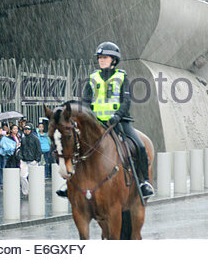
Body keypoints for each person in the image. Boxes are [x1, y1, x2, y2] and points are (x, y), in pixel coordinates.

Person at [57, 42, 154, 198]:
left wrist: (117, 116)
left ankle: (144, 182)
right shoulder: (92, 78)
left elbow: (126, 101)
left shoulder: (122, 77)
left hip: (118, 121)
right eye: (99, 58)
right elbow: (86, 102)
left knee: (140, 146)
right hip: (96, 123)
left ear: (113, 60)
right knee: (77, 147)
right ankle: (70, 183)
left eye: (105, 57)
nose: (101, 60)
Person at [18, 123, 42, 197]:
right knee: (22, 176)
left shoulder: (35, 139)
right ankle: (25, 192)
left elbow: (38, 150)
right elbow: (21, 149)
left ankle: (33, 192)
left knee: (34, 178)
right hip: (24, 160)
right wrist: (21, 157)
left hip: (33, 161)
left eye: (28, 129)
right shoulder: (23, 139)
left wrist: (37, 160)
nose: (27, 130)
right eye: (25, 129)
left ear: (31, 130)